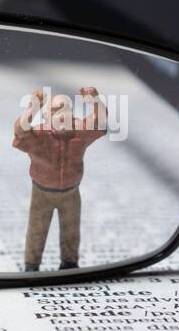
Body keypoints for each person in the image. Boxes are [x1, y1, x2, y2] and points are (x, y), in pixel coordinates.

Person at [12, 87, 107, 271]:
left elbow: (100, 122)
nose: (62, 115)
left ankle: (69, 263)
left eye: (66, 110)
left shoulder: (79, 133)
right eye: (56, 111)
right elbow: (20, 132)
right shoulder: (39, 135)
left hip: (71, 192)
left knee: (71, 230)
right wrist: (32, 109)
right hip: (42, 193)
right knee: (36, 230)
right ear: (46, 116)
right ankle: (31, 265)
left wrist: (95, 100)